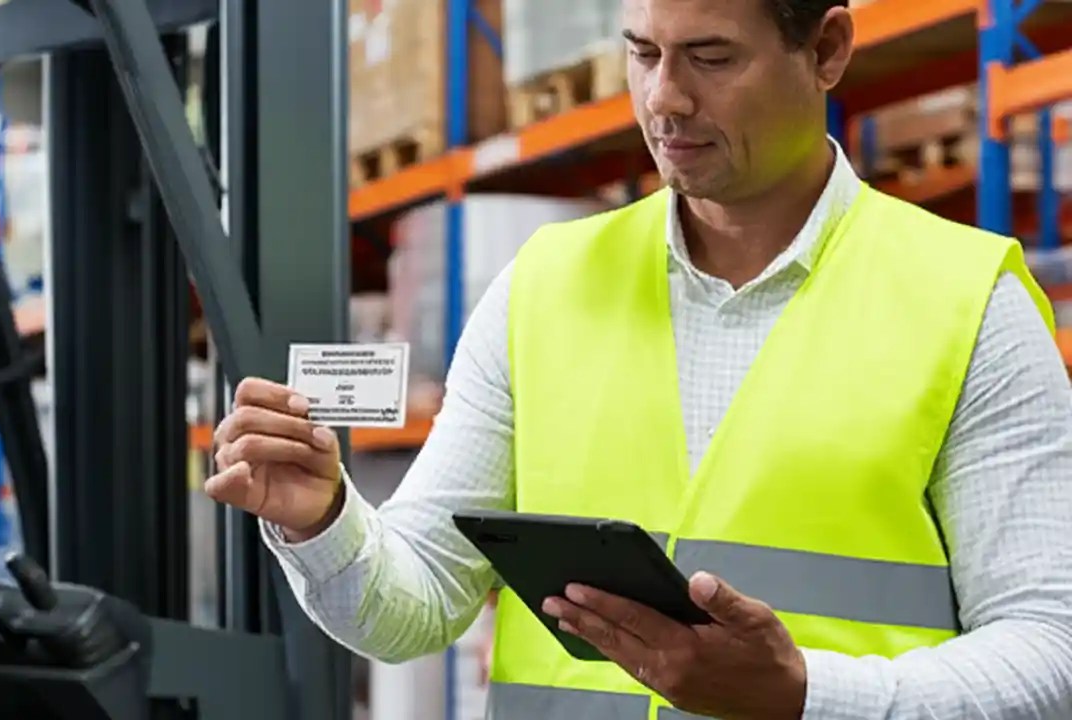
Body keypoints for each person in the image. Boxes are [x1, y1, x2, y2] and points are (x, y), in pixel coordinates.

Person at [205, 0, 1072, 717]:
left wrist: (807, 694)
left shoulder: (968, 304)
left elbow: (1050, 651)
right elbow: (416, 604)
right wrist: (321, 523)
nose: (665, 98)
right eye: (642, 52)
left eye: (710, 57)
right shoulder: (542, 287)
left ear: (828, 49)